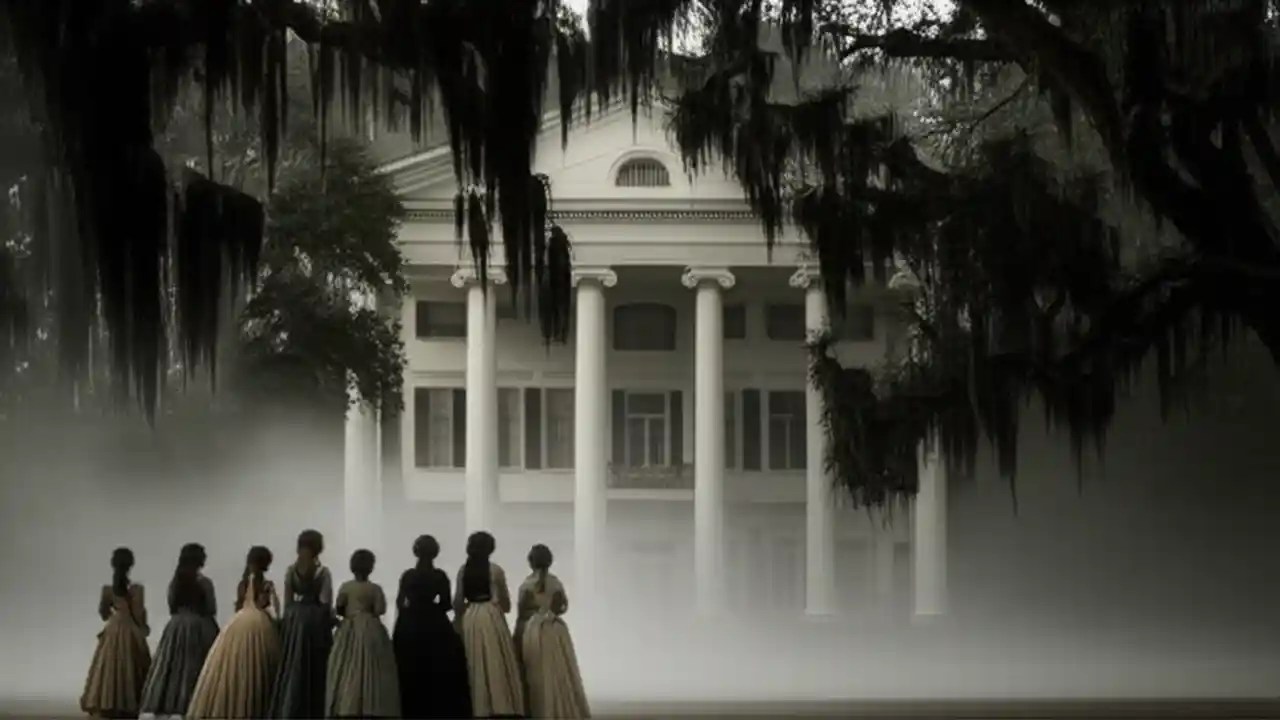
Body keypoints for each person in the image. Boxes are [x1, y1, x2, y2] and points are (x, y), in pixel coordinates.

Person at [186, 545, 282, 719]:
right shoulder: (266, 584)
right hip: (260, 623)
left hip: (239, 622)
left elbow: (239, 605)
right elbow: (271, 607)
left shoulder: (243, 583)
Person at [393, 535, 472, 719]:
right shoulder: (440, 576)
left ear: (415, 552)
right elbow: (445, 604)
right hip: (436, 625)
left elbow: (399, 602)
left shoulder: (408, 575)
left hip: (410, 624)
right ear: (435, 553)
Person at [138, 542, 219, 717]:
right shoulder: (205, 583)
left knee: (171, 667)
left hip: (176, 626)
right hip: (200, 627)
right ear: (198, 560)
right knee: (196, 666)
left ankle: (170, 705)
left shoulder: (174, 582)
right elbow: (211, 608)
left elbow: (172, 607)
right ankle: (193, 703)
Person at [454, 531, 524, 718]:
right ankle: (500, 703)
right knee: (495, 660)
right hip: (492, 616)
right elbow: (506, 605)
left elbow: (458, 603)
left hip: (471, 617)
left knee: (474, 659)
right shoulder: (496, 570)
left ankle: (478, 704)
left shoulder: (463, 570)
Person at [516, 545, 590, 718]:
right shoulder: (556, 582)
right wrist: (549, 612)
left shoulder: (526, 584)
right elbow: (563, 606)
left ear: (530, 563)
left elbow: (522, 613)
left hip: (533, 632)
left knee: (536, 674)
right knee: (558, 672)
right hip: (555, 631)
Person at [325, 549, 401, 718]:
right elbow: (380, 609)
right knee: (373, 668)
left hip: (348, 629)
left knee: (347, 667)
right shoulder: (375, 588)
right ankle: (371, 704)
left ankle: (347, 703)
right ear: (371, 567)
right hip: (371, 629)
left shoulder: (346, 587)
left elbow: (339, 608)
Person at [268, 529, 335, 718]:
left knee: (292, 665)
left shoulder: (291, 570)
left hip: (294, 621)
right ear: (319, 548)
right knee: (315, 668)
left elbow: (288, 602)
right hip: (315, 623)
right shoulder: (323, 572)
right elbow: (325, 602)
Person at [80, 547, 151, 719]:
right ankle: (128, 705)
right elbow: (138, 613)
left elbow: (104, 614)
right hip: (130, 630)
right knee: (131, 668)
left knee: (108, 668)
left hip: (112, 629)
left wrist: (114, 615)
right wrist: (143, 629)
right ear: (131, 565)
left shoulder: (107, 590)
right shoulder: (137, 589)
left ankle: (108, 703)